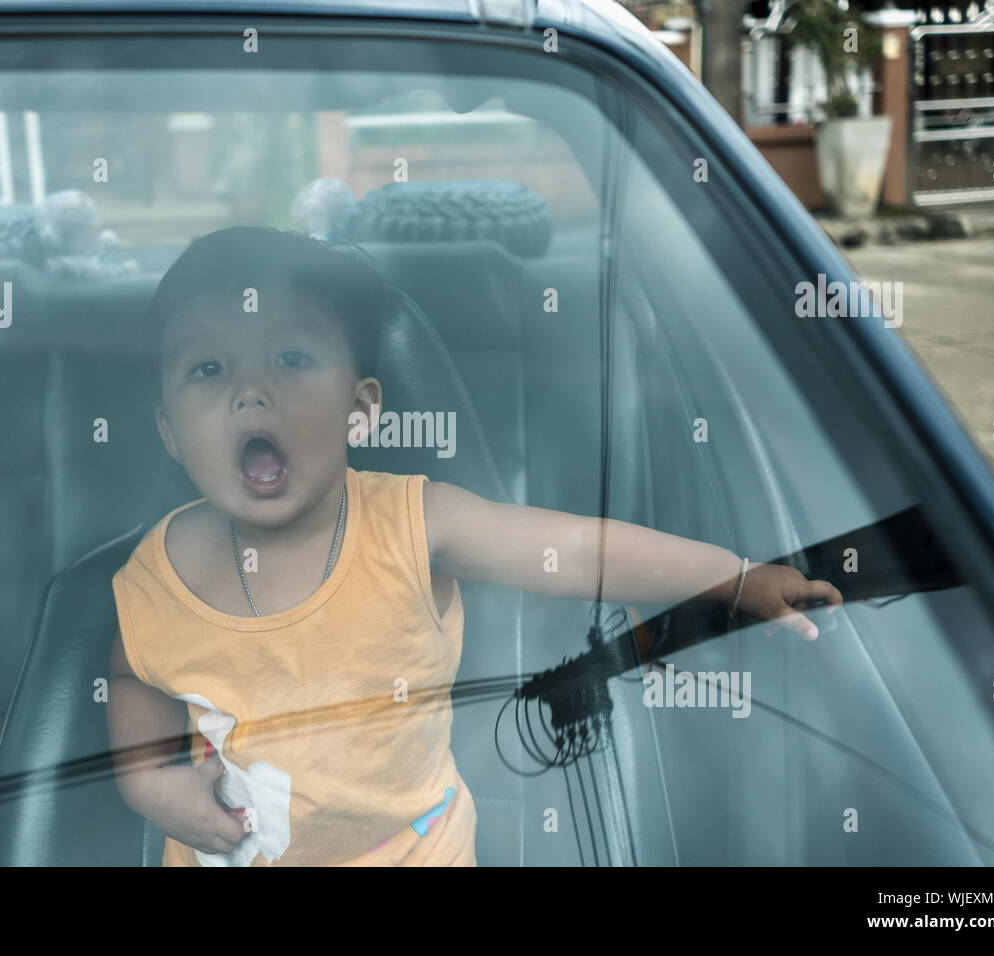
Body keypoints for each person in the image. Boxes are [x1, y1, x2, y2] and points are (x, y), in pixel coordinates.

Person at [106, 226, 842, 867]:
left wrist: (735, 579)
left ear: (361, 408)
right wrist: (148, 783)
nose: (251, 392)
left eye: (291, 359)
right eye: (209, 369)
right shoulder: (158, 573)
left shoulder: (415, 523)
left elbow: (579, 551)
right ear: (171, 432)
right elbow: (134, 678)